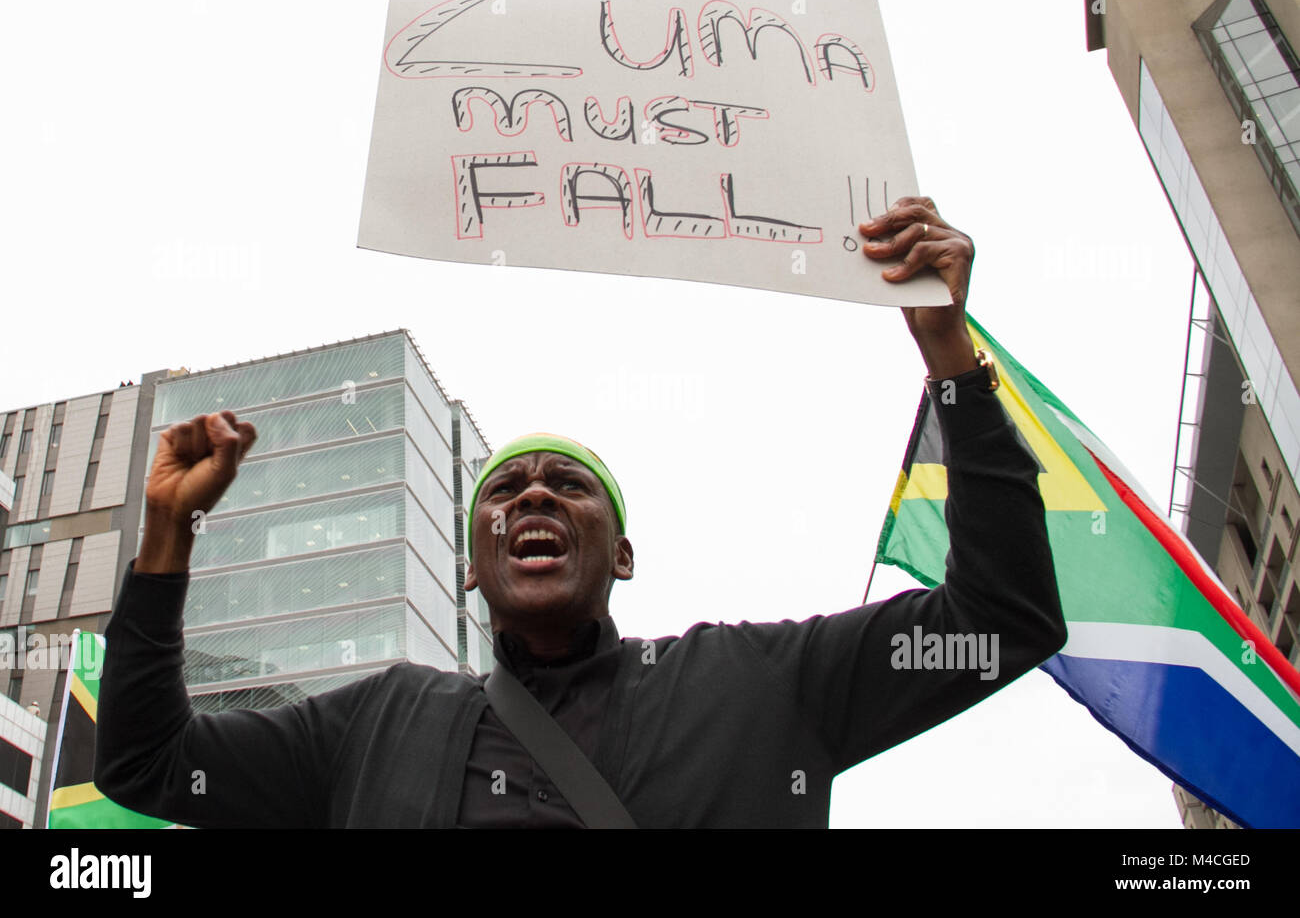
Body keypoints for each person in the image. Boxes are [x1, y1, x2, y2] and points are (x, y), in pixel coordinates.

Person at [94, 198, 1066, 827]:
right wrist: (169, 534)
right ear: (469, 565)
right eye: (505, 492)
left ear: (624, 552)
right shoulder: (374, 722)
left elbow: (997, 620)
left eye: (568, 483)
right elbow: (148, 762)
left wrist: (949, 357)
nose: (533, 497)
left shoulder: (758, 679)